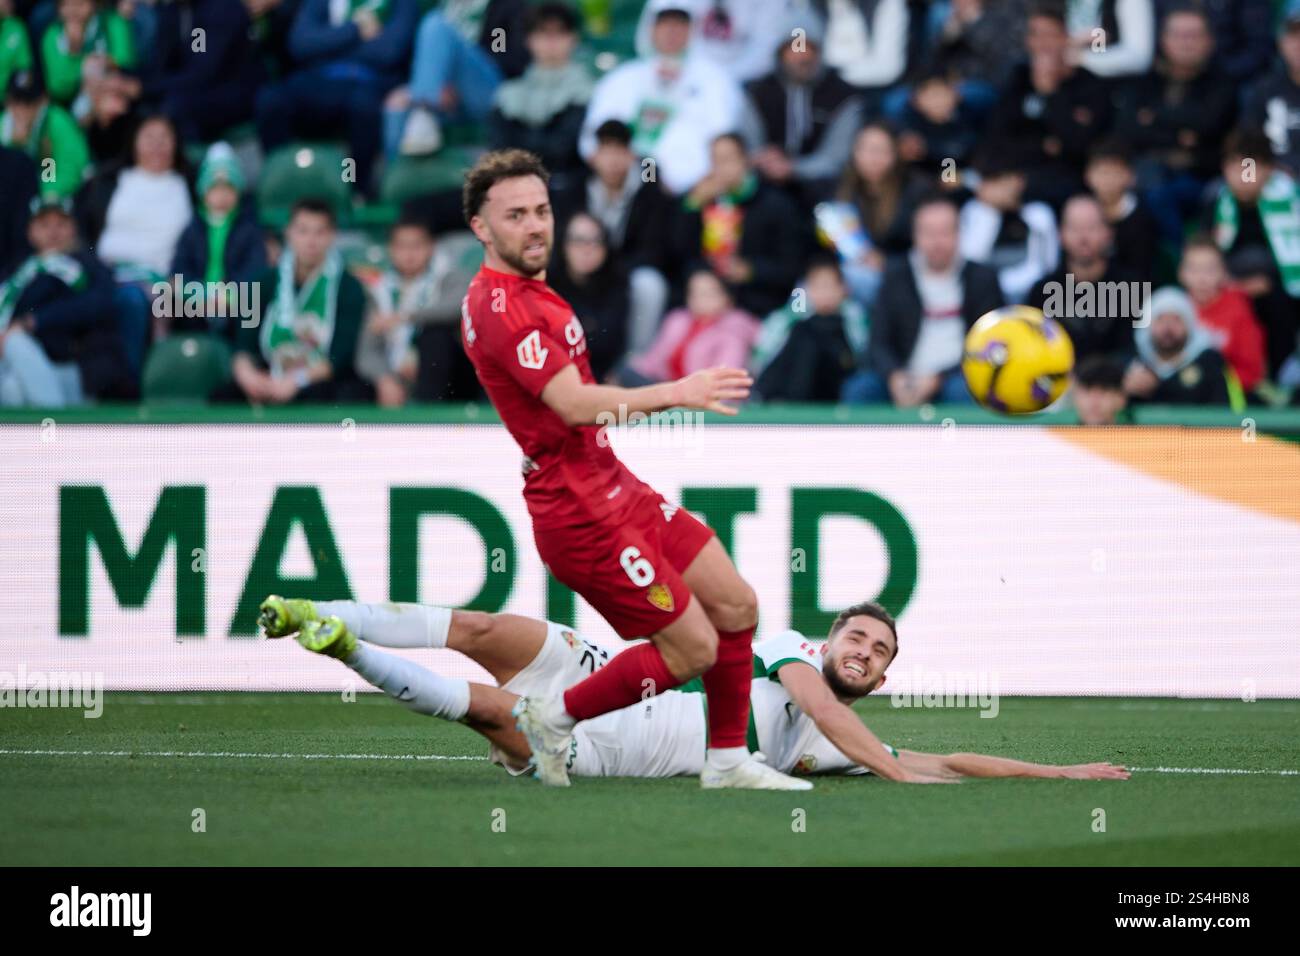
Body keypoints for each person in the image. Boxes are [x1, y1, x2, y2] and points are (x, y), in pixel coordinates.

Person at [458, 148, 805, 790]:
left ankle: (727, 761)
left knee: (736, 603)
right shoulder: (501, 307)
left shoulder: (535, 293)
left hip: (614, 487)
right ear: (481, 227)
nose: (535, 226)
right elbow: (571, 403)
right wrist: (679, 390)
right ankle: (553, 716)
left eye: (542, 210)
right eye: (515, 215)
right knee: (693, 649)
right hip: (579, 511)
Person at [259, 594, 1132, 783]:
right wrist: (892, 770)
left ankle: (342, 651)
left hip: (610, 748)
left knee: (490, 712)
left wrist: (1062, 779)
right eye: (856, 635)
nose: (863, 650)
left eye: (878, 649)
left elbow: (947, 760)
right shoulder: (787, 648)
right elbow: (829, 707)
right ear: (828, 639)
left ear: (889, 674)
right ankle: (316, 607)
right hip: (606, 671)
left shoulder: (832, 747)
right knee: (488, 630)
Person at [842, 195, 1003, 406]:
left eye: (945, 232)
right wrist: (894, 376)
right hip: (903, 375)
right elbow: (879, 342)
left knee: (964, 390)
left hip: (955, 377)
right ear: (915, 235)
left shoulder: (982, 279)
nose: (937, 242)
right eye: (929, 233)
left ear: (959, 234)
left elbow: (987, 346)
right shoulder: (896, 275)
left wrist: (939, 378)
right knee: (860, 389)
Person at [578, 0, 743, 196]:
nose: (672, 31)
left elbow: (727, 145)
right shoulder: (621, 79)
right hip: (632, 192)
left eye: (680, 24)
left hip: (699, 194)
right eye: (664, 24)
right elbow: (591, 142)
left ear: (693, 29)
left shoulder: (716, 80)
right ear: (650, 28)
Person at [255, 0, 418, 197]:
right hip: (317, 78)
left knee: (363, 108)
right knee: (271, 100)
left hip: (367, 81)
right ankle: (281, 180)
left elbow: (389, 51)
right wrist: (355, 29)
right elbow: (300, 44)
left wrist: (328, 45)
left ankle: (355, 191)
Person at [1112, 4, 1237, 247]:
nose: (1185, 43)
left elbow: (1208, 124)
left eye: (1193, 35)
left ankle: (1186, 259)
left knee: (1159, 196)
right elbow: (1127, 130)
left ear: (1209, 41)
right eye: (1178, 35)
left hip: (1200, 177)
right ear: (1163, 40)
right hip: (1147, 171)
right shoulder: (1145, 81)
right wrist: (1181, 134)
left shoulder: (1222, 82)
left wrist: (1154, 118)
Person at [226, 198, 368, 404]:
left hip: (318, 380)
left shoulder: (349, 287)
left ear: (332, 236)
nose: (311, 241)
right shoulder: (261, 283)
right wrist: (249, 377)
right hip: (267, 374)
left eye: (319, 232)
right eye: (303, 231)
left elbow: (340, 357)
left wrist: (296, 380)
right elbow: (243, 346)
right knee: (224, 397)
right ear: (289, 233)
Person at [550, 119, 673, 353]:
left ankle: (636, 364)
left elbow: (655, 246)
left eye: (620, 150)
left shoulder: (648, 181)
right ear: (594, 155)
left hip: (626, 268)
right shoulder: (578, 185)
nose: (613, 160)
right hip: (583, 265)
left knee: (649, 284)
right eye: (606, 150)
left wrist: (613, 268)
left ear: (631, 154)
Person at [0, 195, 128, 406]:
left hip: (70, 372)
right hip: (15, 369)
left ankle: (56, 431)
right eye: (44, 225)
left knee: (15, 343)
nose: (53, 232)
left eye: (61, 224)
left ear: (73, 228)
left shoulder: (88, 265)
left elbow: (99, 304)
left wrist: (34, 322)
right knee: (11, 388)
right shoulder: (17, 272)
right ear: (30, 232)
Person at [667, 131, 808, 318]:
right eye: (716, 161)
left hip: (756, 301)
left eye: (728, 159)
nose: (722, 168)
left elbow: (791, 266)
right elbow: (677, 254)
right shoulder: (701, 199)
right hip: (704, 297)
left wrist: (750, 270)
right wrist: (692, 206)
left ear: (746, 160)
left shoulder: (776, 204)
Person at [985, 2, 1111, 208]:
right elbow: (997, 138)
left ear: (1066, 38)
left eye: (1050, 35)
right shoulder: (1018, 79)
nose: (1042, 43)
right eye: (1035, 35)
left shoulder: (1089, 85)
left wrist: (1052, 94)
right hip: (1013, 175)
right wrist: (1043, 147)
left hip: (1066, 182)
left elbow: (1079, 147)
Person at [740, 5, 863, 206]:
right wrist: (765, 160)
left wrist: (794, 169)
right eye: (794, 47)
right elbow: (748, 144)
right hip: (764, 181)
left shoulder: (842, 95)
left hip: (823, 185)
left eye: (809, 47)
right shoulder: (758, 91)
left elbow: (837, 155)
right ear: (780, 52)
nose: (802, 56)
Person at [1202, 127, 1300, 379]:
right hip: (1226, 287)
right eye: (1235, 168)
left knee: (1278, 303)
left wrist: (1266, 284)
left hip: (1282, 293)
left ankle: (1281, 377)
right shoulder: (1217, 201)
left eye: (1250, 169)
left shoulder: (1292, 200)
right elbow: (1203, 251)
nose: (1242, 177)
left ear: (1269, 169)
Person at [390, 0, 530, 157]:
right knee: (396, 105)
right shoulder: (444, 7)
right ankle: (397, 178)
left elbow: (512, 62)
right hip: (441, 94)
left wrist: (457, 81)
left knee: (435, 24)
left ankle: (425, 107)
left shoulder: (504, 5)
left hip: (492, 92)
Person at [485, 3, 593, 195]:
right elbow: (498, 148)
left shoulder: (588, 92)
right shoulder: (508, 93)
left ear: (573, 39)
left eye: (559, 33)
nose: (551, 42)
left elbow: (563, 151)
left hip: (565, 190)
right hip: (513, 188)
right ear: (529, 40)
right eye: (543, 33)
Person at [168, 142, 268, 341]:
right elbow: (179, 272)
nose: (222, 196)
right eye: (215, 189)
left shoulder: (249, 231)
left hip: (235, 305)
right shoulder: (192, 231)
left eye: (229, 189)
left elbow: (255, 272)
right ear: (204, 194)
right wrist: (202, 296)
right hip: (196, 303)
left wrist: (228, 297)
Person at [1027, 194, 1139, 363]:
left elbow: (1134, 349)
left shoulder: (1131, 287)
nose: (1083, 238)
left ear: (1108, 233)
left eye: (1092, 228)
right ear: (1060, 235)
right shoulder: (1041, 292)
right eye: (1074, 228)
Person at [751, 253, 868, 402]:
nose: (824, 293)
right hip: (791, 381)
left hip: (838, 378)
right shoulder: (792, 316)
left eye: (829, 286)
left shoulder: (855, 315)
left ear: (843, 289)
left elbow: (860, 357)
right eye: (818, 286)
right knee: (805, 332)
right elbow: (764, 355)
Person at [616, 266, 758, 386]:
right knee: (624, 371)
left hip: (703, 396)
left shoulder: (735, 328)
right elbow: (654, 360)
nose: (700, 299)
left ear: (727, 297)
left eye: (707, 293)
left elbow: (726, 375)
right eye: (694, 293)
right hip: (668, 389)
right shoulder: (678, 320)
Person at [959, 151, 1059, 303]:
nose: (996, 187)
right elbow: (971, 263)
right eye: (990, 181)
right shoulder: (974, 212)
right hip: (985, 299)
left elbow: (1048, 267)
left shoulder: (1038, 214)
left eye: (1001, 179)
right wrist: (990, 211)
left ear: (1020, 181)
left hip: (1031, 298)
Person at [546, 212, 631, 382]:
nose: (587, 249)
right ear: (564, 245)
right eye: (578, 241)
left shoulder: (616, 281)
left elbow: (609, 343)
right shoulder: (548, 280)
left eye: (595, 241)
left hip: (602, 375)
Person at [1177, 233, 1267, 394]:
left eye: (1210, 270)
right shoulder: (1171, 309)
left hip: (1223, 401)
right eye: (1193, 269)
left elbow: (1253, 372)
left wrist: (1212, 381)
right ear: (1181, 273)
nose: (1201, 278)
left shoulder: (1239, 310)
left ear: (1224, 273)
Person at [1124, 285, 1232, 405]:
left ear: (1190, 325)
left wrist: (1159, 388)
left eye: (1176, 319)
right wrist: (1125, 389)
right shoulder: (1131, 361)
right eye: (1160, 319)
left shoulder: (1210, 362)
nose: (1168, 328)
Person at [0, 69, 89, 200]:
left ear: (43, 101)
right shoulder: (3, 126)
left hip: (52, 198)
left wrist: (40, 194)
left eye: (29, 102)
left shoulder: (56, 123)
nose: (21, 109)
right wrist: (14, 145)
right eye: (16, 101)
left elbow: (68, 170)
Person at [1083, 138, 1160, 281]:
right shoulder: (1080, 212)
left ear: (1131, 177)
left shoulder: (1142, 219)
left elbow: (1141, 271)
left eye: (1114, 172)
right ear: (1087, 175)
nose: (1107, 180)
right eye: (1102, 172)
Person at [1244, 2, 1300, 179]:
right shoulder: (1263, 91)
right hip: (1272, 186)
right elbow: (1246, 149)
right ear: (1281, 41)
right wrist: (1249, 179)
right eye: (1293, 34)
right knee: (1217, 193)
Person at [1071, 353, 1130, 425]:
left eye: (1104, 391)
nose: (1094, 402)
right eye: (1087, 390)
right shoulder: (1057, 435)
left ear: (1121, 398)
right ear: (1075, 396)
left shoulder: (1138, 436)